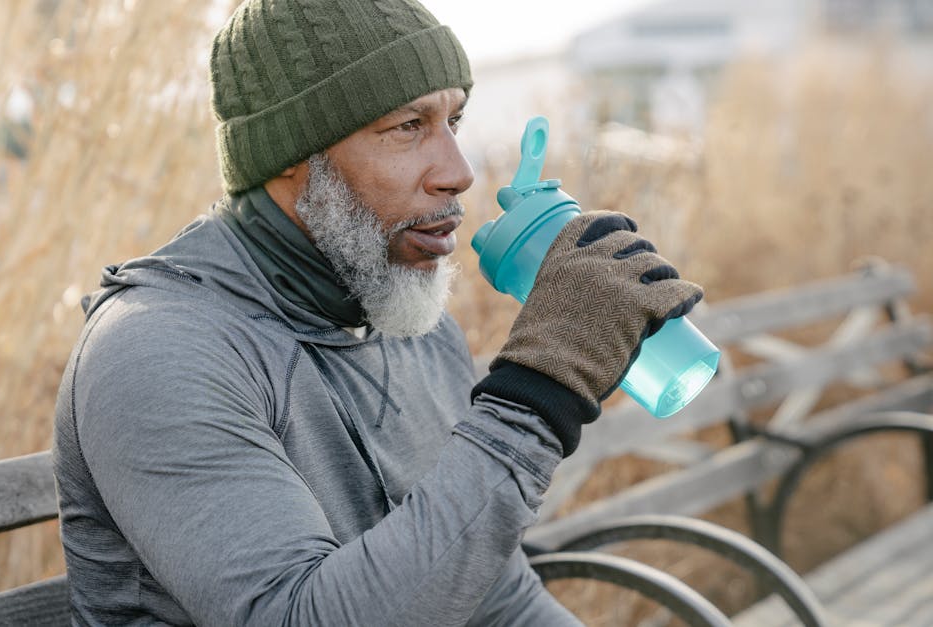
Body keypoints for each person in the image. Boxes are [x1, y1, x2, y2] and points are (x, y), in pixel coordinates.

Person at [52, 0, 704, 624]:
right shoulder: (158, 349)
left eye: (454, 122)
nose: (458, 170)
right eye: (407, 126)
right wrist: (537, 393)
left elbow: (497, 602)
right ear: (290, 152)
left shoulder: (409, 323)